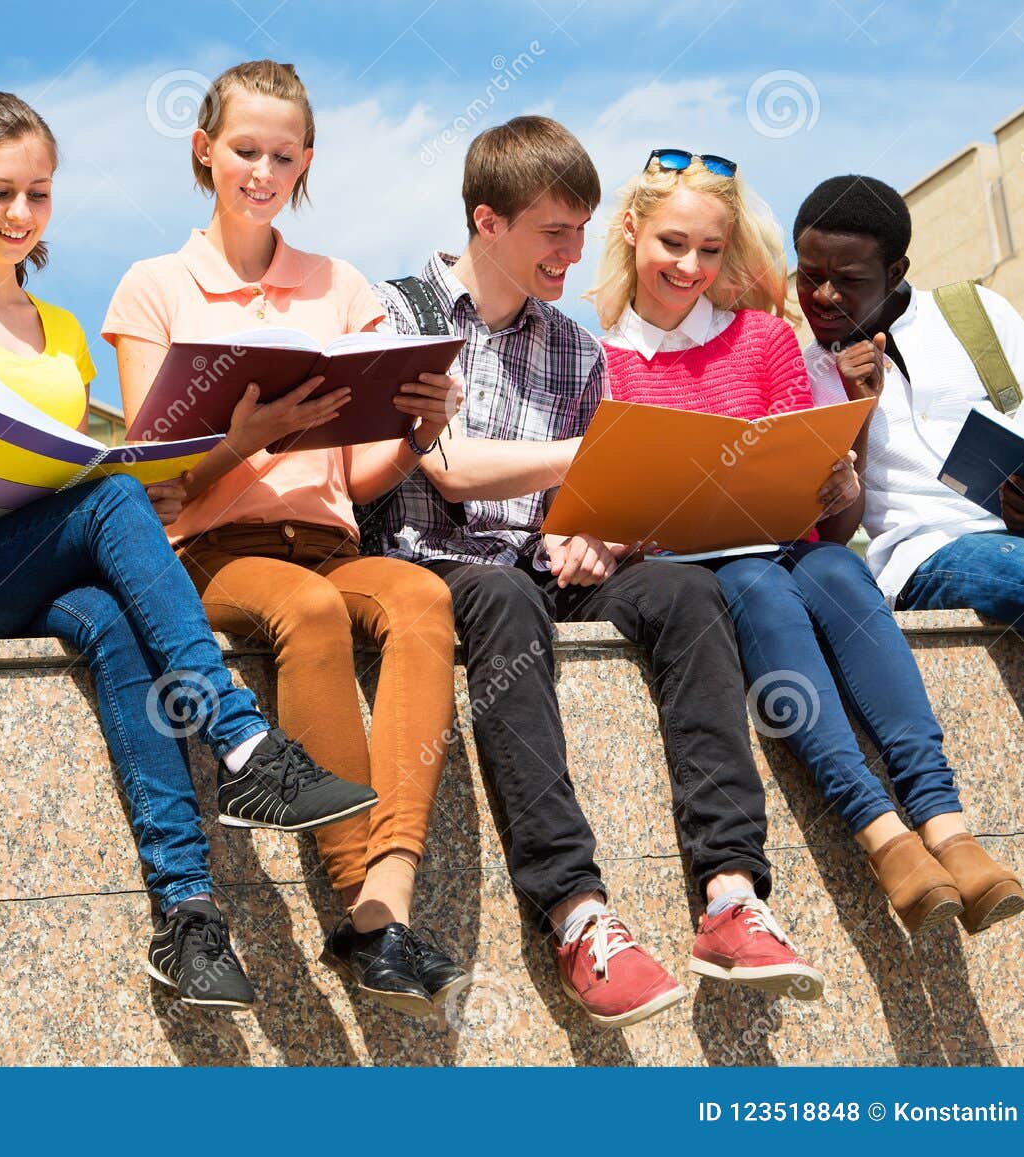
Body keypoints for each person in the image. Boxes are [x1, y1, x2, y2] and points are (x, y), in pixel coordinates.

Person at [0, 91, 375, 1012]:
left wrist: (161, 473)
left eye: (38, 195)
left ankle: (189, 917)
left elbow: (77, 468)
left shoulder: (62, 333)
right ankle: (243, 739)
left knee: (119, 615)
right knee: (113, 504)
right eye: (0, 191)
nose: (19, 214)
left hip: (29, 571)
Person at [361, 116, 823, 1028]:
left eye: (581, 230)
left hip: (541, 569)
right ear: (487, 223)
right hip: (439, 569)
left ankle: (730, 893)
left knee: (691, 592)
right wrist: (581, 460)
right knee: (499, 596)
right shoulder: (398, 313)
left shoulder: (574, 345)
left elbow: (598, 496)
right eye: (553, 233)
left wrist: (596, 538)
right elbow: (447, 467)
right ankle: (575, 911)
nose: (575, 253)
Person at [104, 60, 467, 1019]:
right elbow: (149, 479)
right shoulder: (154, 286)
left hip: (332, 539)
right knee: (306, 612)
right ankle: (359, 905)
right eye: (244, 150)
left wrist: (420, 432)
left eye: (283, 154)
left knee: (425, 598)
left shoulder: (340, 285)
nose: (263, 170)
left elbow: (358, 476)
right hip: (215, 552)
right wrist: (248, 439)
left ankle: (386, 893)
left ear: (306, 161)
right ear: (204, 151)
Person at [590, 151, 1023, 936]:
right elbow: (601, 502)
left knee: (835, 568)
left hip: (791, 544)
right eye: (673, 245)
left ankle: (946, 824)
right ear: (631, 233)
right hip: (696, 569)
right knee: (758, 585)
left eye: (711, 250)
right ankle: (882, 835)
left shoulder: (764, 340)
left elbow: (822, 496)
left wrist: (841, 484)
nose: (691, 267)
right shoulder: (599, 361)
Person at [795, 173, 1024, 902]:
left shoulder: (975, 313)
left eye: (846, 281)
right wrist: (853, 408)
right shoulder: (802, 370)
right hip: (925, 556)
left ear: (896, 273)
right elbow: (832, 528)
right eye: (809, 275)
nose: (823, 297)